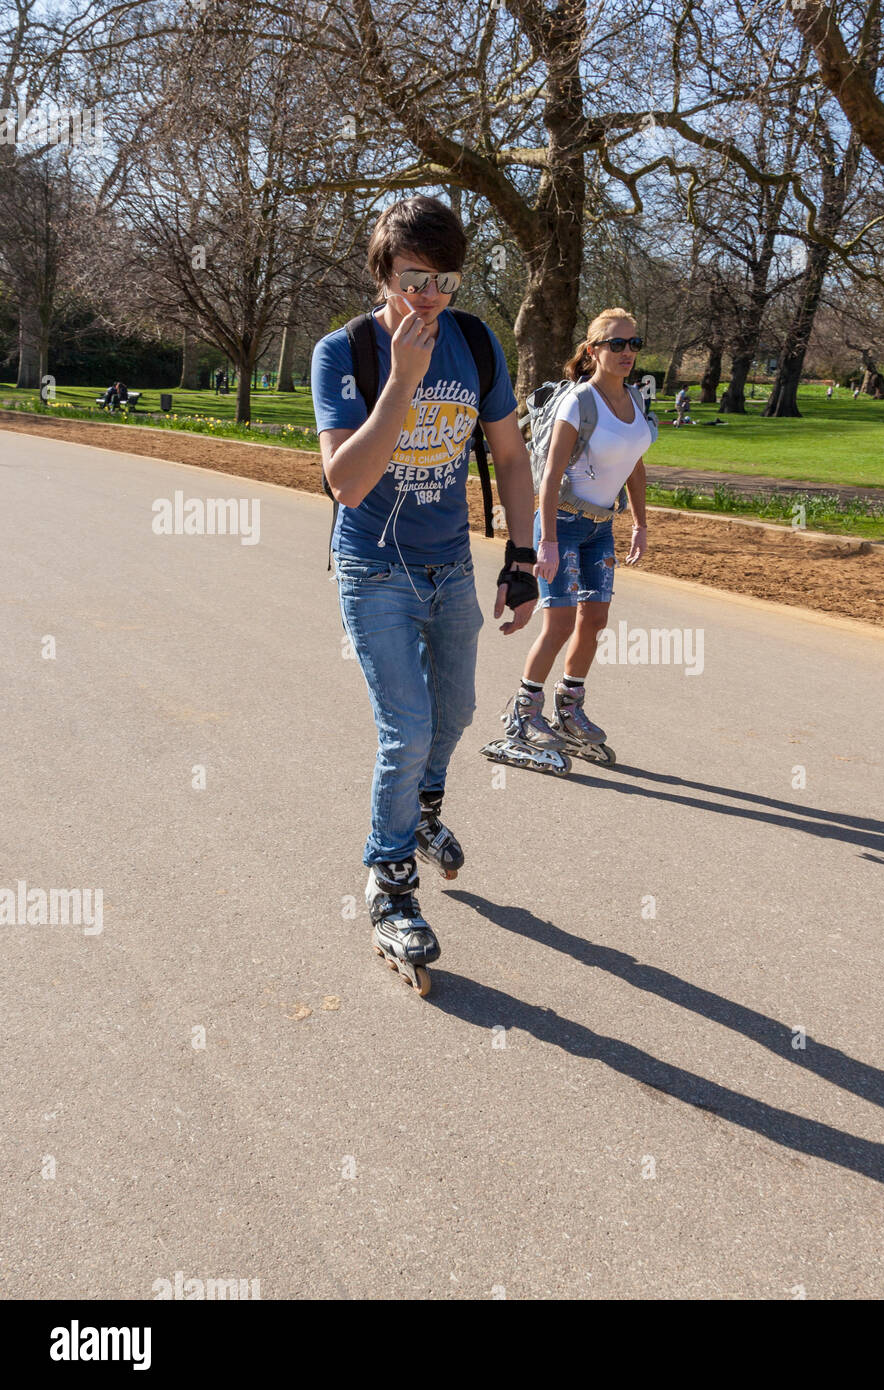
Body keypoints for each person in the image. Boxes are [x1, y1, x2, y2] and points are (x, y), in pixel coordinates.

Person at [310, 194, 540, 988]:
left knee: (458, 712)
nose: (430, 295)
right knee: (406, 729)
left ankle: (422, 815)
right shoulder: (344, 352)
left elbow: (511, 456)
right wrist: (403, 380)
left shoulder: (475, 341)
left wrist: (521, 558)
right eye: (413, 279)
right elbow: (346, 482)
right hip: (374, 568)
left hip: (450, 566)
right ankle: (390, 886)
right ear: (383, 273)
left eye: (445, 278)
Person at [493, 308, 652, 769]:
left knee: (595, 621)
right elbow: (549, 476)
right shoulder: (579, 402)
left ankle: (569, 709)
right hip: (561, 524)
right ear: (593, 350)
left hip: (601, 528)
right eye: (616, 344)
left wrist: (640, 523)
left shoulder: (635, 400)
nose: (627, 352)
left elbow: (634, 465)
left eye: (634, 343)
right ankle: (524, 715)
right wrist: (546, 542)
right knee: (559, 624)